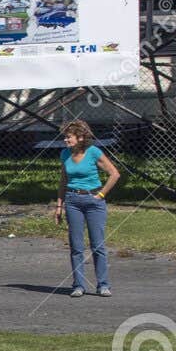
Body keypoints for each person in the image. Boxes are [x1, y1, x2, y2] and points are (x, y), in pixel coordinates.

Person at [55, 119, 120, 298]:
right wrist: (59, 205)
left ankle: (103, 285)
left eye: (69, 137)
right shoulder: (64, 154)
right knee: (76, 246)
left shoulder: (93, 152)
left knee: (97, 245)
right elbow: (63, 181)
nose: (66, 140)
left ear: (81, 137)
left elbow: (114, 173)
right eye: (65, 137)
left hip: (94, 201)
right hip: (72, 200)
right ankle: (78, 285)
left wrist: (101, 195)